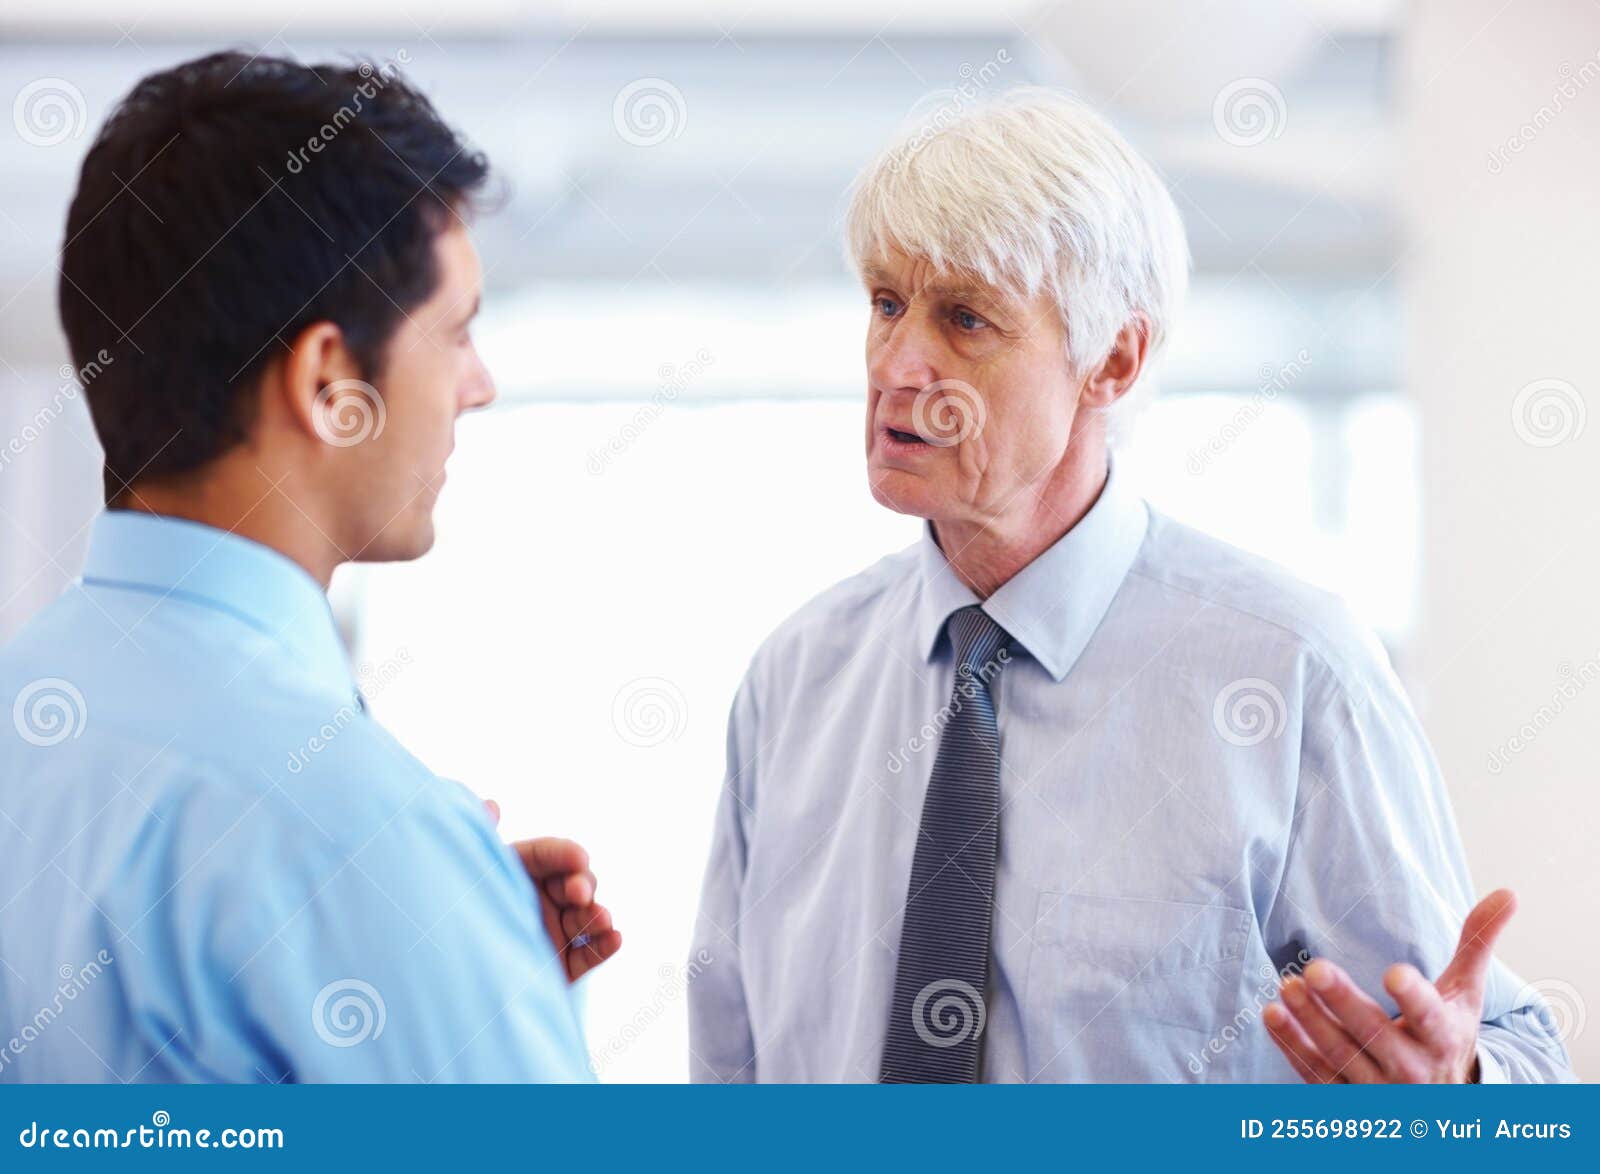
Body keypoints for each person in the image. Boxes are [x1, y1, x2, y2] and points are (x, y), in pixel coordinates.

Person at [687, 87, 1571, 1084]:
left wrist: (1458, 1090)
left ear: (1113, 358)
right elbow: (728, 1073)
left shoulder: (1293, 673)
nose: (896, 366)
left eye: (964, 318)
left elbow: (1517, 1066)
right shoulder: (793, 680)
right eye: (886, 303)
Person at [0, 51, 617, 1083]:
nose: (479, 385)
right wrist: (449, 970)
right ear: (333, 383)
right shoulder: (354, 834)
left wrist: (458, 975)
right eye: (456, 333)